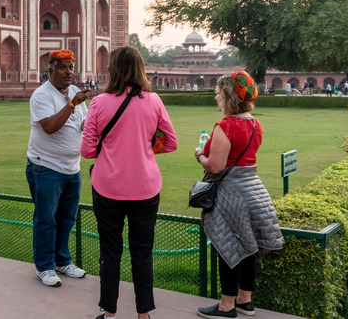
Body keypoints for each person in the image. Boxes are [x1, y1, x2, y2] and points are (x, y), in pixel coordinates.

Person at [81, 46, 178, 319]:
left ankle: (109, 313)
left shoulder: (99, 103)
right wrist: (144, 148)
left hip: (108, 187)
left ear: (113, 69)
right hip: (145, 188)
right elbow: (170, 142)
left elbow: (88, 150)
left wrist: (110, 148)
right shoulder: (154, 100)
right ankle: (143, 314)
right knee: (142, 253)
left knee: (110, 253)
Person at [193, 71, 284, 319]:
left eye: (219, 94)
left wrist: (199, 154)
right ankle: (246, 301)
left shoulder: (226, 126)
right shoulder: (255, 123)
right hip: (254, 188)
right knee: (248, 246)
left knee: (229, 247)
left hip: (231, 193)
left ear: (229, 97)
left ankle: (226, 306)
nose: (216, 99)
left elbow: (215, 166)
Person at [26, 49, 90, 287]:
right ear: (50, 69)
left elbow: (79, 124)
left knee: (66, 219)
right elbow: (50, 126)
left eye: (71, 68)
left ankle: (62, 261)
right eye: (62, 68)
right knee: (46, 219)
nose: (68, 72)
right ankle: (44, 266)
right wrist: (72, 104)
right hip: (46, 168)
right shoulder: (41, 95)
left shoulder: (73, 91)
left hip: (72, 167)